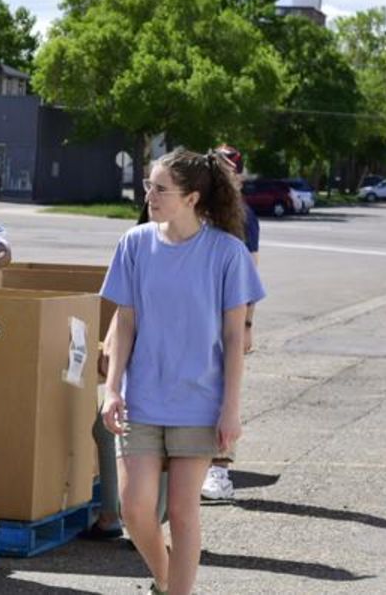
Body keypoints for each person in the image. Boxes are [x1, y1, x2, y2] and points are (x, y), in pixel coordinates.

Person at [100, 148, 265, 595]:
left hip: (200, 401)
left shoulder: (227, 253)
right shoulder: (134, 244)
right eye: (148, 185)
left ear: (191, 198)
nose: (148, 195)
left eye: (160, 188)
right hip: (141, 399)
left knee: (184, 511)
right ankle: (167, 579)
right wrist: (111, 388)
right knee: (134, 510)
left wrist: (231, 410)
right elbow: (126, 323)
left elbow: (234, 340)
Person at [201, 144, 260, 501]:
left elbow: (251, 271)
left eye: (230, 168)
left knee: (225, 392)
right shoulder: (194, 207)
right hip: (196, 315)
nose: (224, 173)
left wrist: (248, 323)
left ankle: (219, 470)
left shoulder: (242, 216)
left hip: (227, 316)